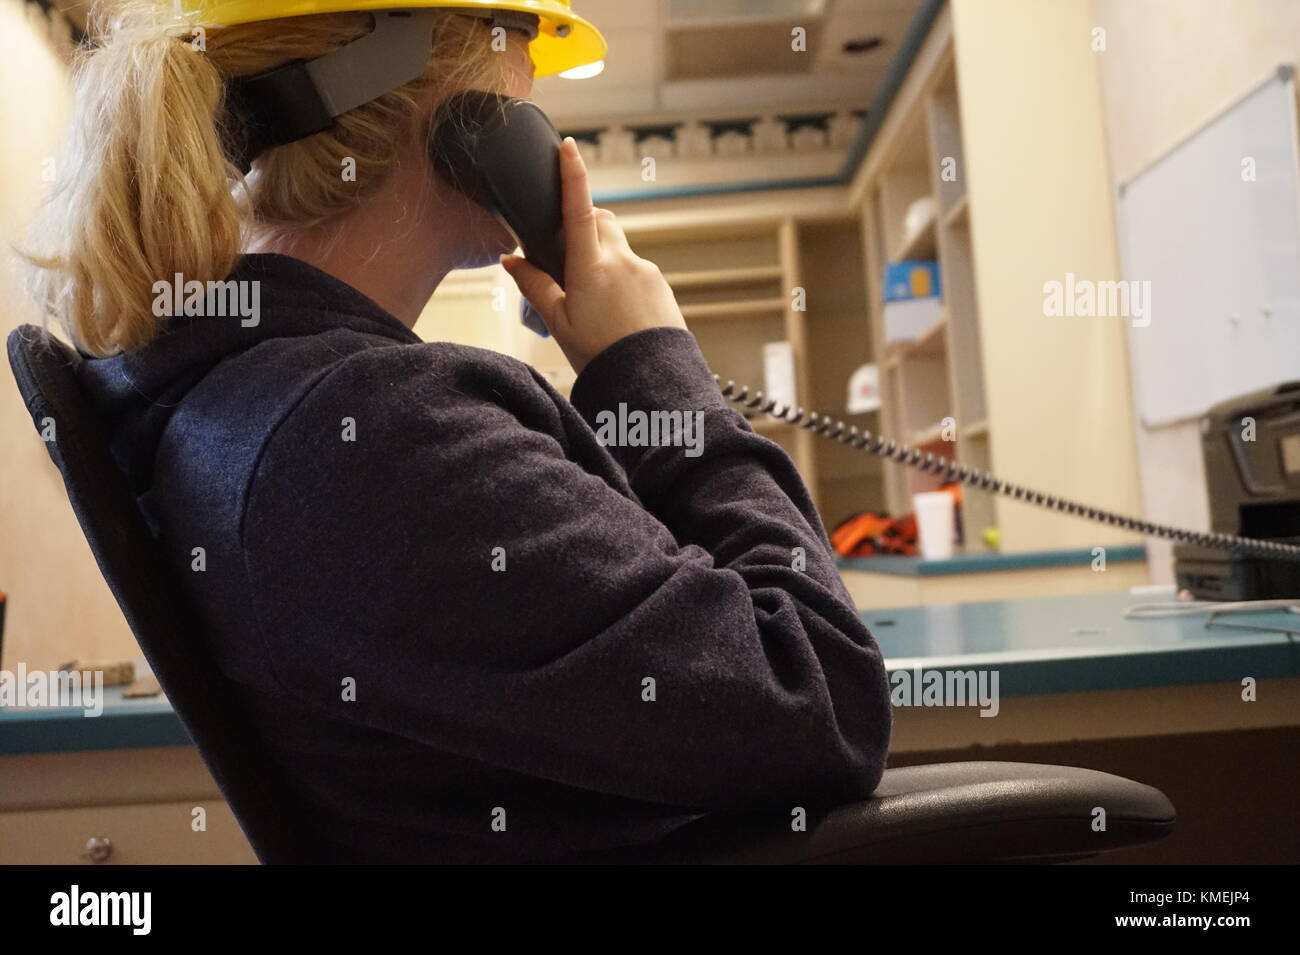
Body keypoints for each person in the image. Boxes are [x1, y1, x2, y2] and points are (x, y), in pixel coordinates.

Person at [23, 1, 891, 863]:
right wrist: (651, 363)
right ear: (469, 123)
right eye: (524, 69)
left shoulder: (223, 399)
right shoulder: (368, 434)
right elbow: (821, 689)